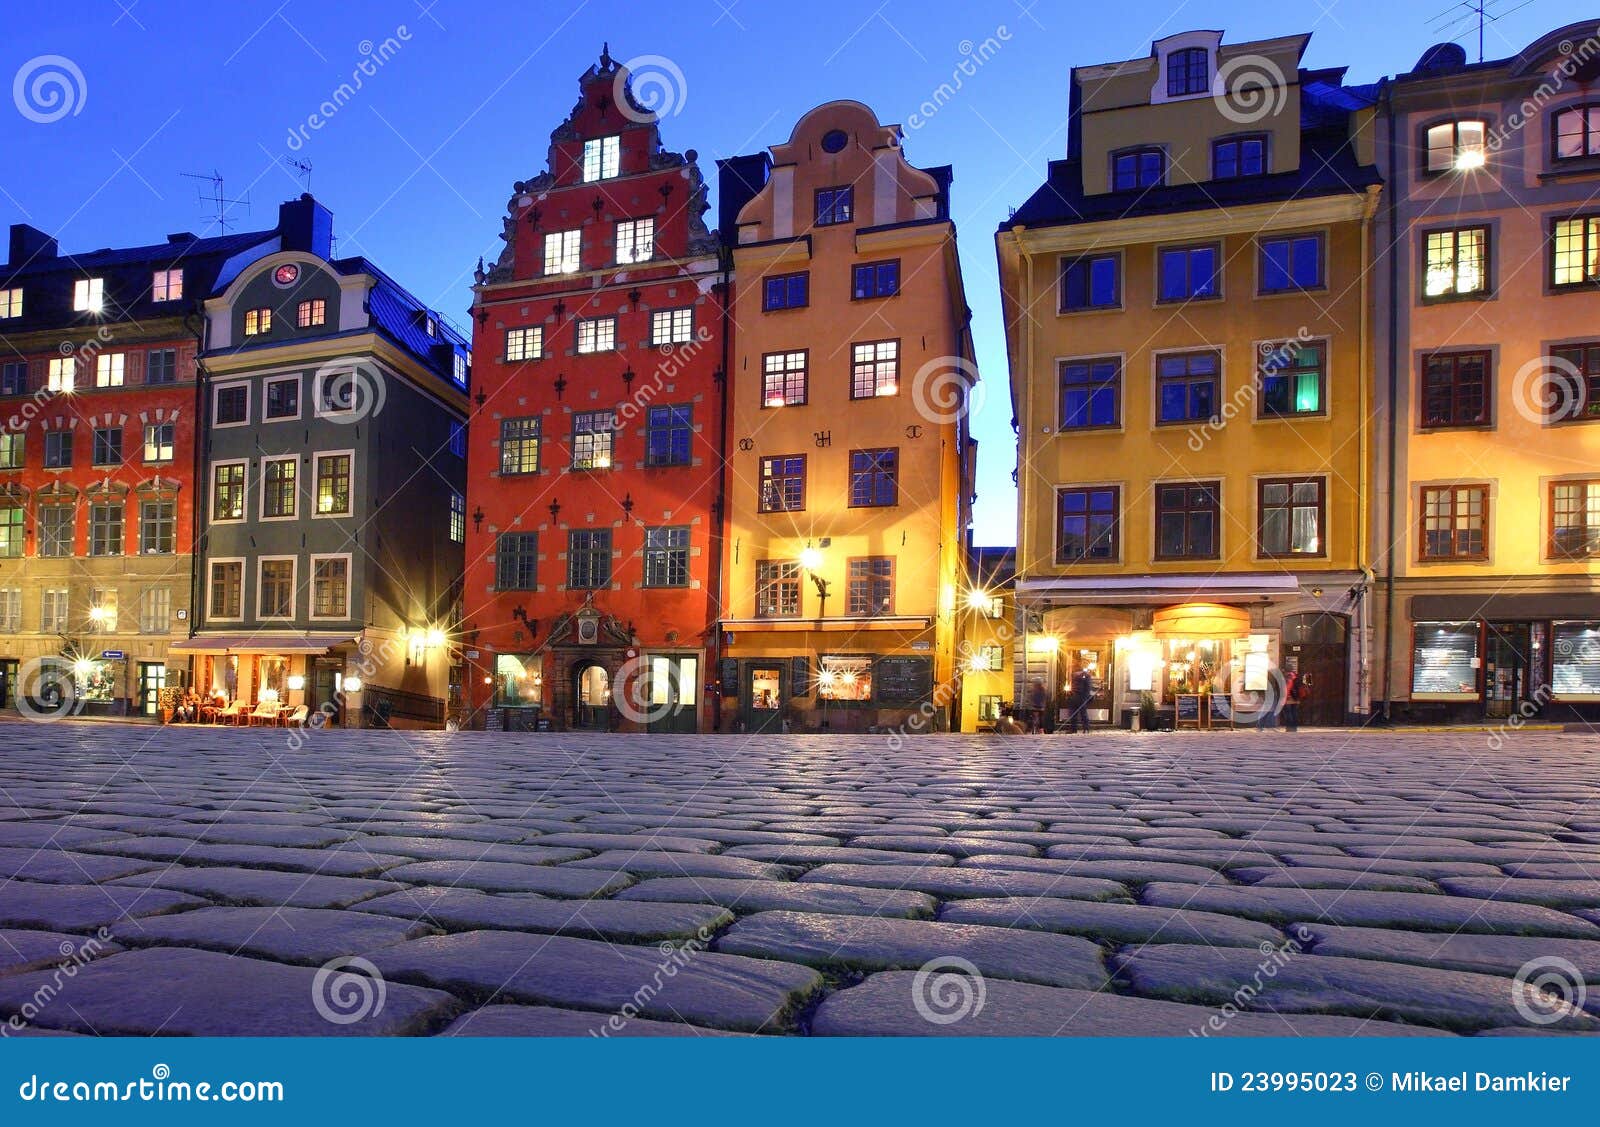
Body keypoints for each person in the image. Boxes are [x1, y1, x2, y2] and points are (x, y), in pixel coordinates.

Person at [1070, 667, 1094, 733]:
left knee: (1073, 713)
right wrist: (1087, 697)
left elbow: (1072, 686)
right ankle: (1086, 729)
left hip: (1075, 696)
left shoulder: (1074, 675)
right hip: (1082, 696)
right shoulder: (1087, 675)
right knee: (1083, 713)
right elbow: (1088, 687)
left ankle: (1073, 729)